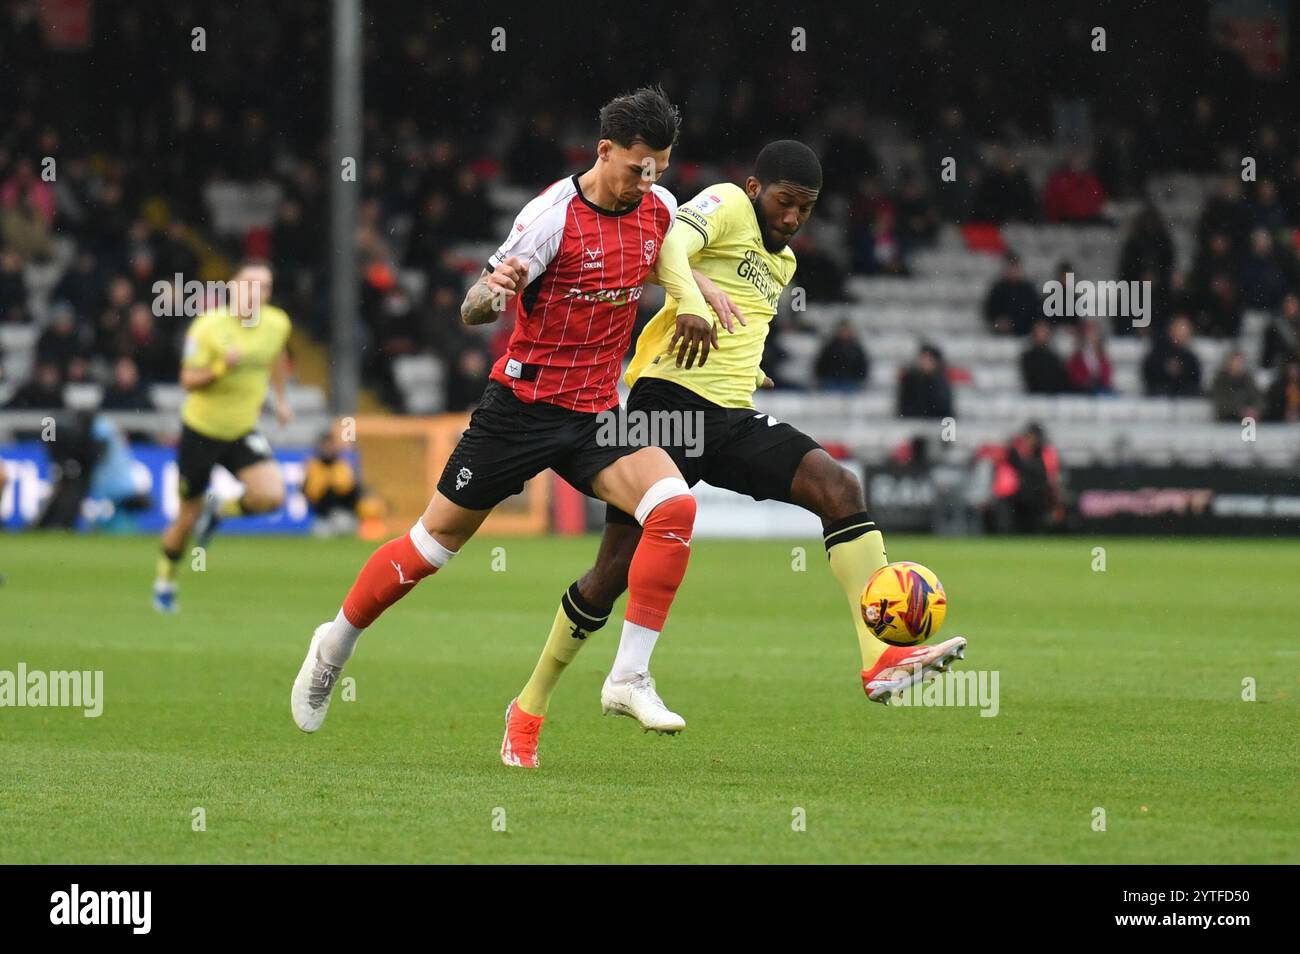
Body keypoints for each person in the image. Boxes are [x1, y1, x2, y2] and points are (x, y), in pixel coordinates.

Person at [505, 141, 967, 768]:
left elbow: (742, 322)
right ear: (756, 188)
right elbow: (669, 246)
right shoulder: (722, 203)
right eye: (785, 201)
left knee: (839, 488)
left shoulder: (784, 264)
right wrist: (692, 306)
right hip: (664, 406)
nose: (793, 216)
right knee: (610, 573)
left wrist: (750, 368)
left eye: (806, 207)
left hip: (730, 419)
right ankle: (531, 706)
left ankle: (878, 660)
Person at [290, 88, 707, 770]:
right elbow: (472, 308)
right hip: (521, 410)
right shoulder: (549, 219)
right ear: (604, 152)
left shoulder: (659, 208)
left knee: (674, 505)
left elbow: (674, 262)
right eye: (637, 166)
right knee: (429, 549)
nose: (648, 179)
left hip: (598, 412)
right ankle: (334, 642)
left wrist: (704, 295)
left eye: (659, 166)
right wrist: (496, 290)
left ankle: (629, 677)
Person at [151, 262, 293, 612]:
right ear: (233, 289)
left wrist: (280, 400)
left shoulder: (277, 323)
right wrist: (220, 368)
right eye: (250, 285)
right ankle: (165, 579)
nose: (256, 293)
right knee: (185, 518)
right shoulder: (208, 327)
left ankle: (219, 511)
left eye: (264, 287)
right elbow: (187, 380)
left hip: (241, 430)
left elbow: (276, 356)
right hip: (201, 432)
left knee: (272, 495)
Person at [897, 344, 953, 418]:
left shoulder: (941, 382)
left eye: (929, 359)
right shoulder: (909, 380)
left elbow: (943, 408)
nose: (925, 362)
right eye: (923, 358)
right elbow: (904, 407)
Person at [814, 318, 870, 391]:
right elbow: (821, 365)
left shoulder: (856, 349)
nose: (844, 333)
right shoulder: (830, 347)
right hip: (831, 380)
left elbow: (862, 367)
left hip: (850, 381)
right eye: (842, 330)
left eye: (846, 330)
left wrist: (858, 378)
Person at [1020, 320, 1072, 394]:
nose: (1043, 334)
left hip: (1052, 396)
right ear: (1034, 333)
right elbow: (1032, 380)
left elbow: (1060, 379)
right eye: (1040, 331)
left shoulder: (1053, 356)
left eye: (1045, 331)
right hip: (1036, 397)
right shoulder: (1028, 356)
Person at [1210, 351, 1261, 422]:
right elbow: (1221, 402)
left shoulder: (1248, 380)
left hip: (1247, 420)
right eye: (1236, 362)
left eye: (1240, 362)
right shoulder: (1221, 381)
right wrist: (1240, 411)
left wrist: (1254, 409)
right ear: (1229, 363)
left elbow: (1257, 397)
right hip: (1226, 421)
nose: (1238, 365)